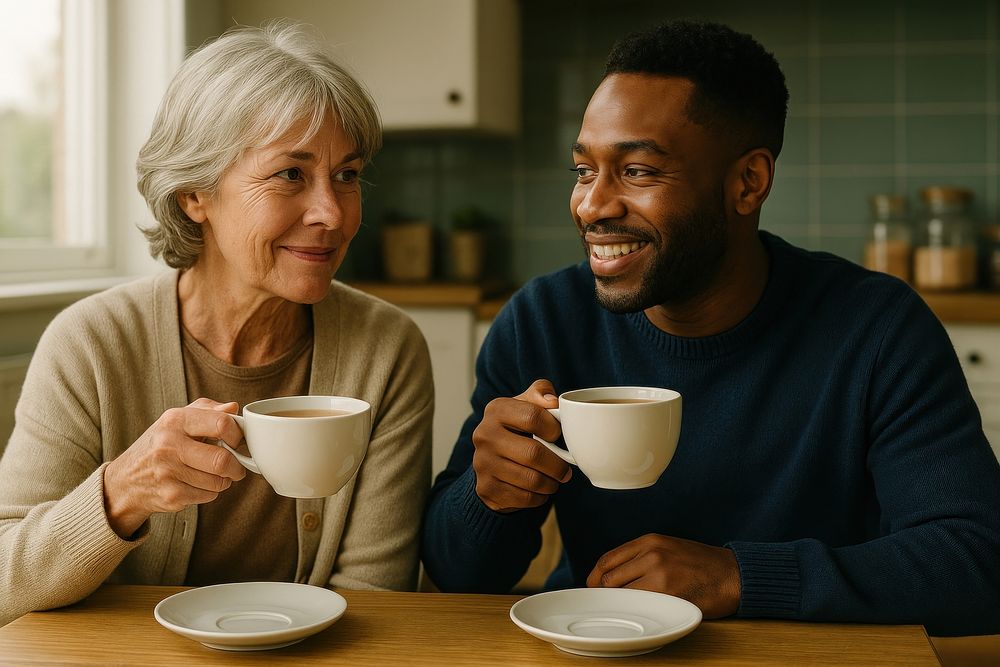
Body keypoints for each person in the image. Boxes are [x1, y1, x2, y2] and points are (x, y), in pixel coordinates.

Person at [421, 20, 1000, 636]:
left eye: (639, 171)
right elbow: (459, 578)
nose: (592, 205)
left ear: (747, 182)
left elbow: (978, 563)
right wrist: (489, 498)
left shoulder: (875, 329)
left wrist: (740, 578)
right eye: (584, 170)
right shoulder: (543, 320)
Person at [0, 23, 433, 626]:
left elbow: (374, 595)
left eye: (348, 175)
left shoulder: (387, 349)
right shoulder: (90, 344)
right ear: (193, 195)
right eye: (290, 174)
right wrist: (120, 492)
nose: (331, 213)